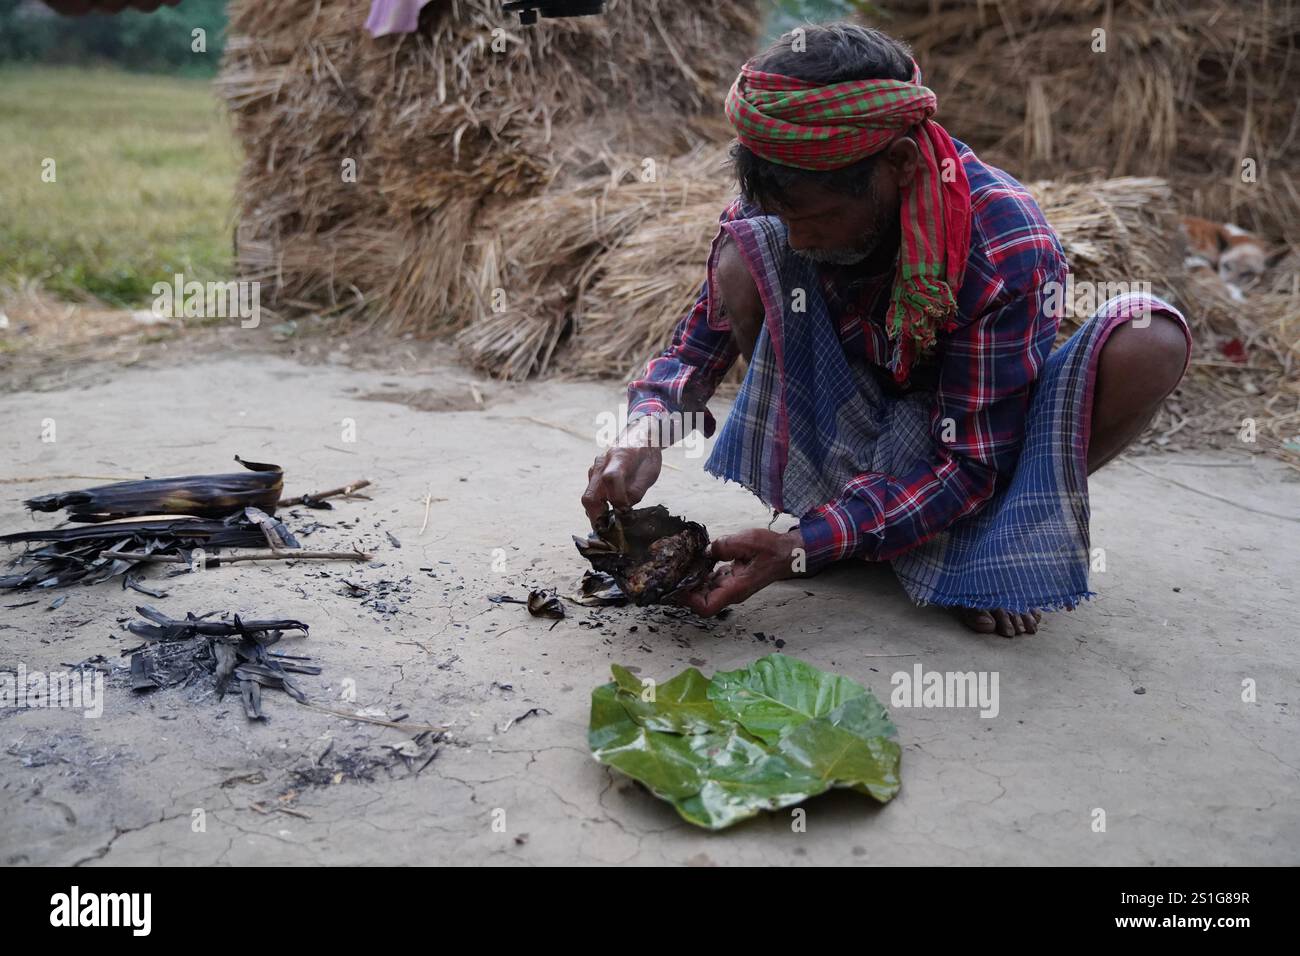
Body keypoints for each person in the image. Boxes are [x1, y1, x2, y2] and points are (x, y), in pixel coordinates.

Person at [582, 23, 1191, 637]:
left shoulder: (1005, 240)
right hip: (851, 429)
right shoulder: (788, 197)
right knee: (747, 254)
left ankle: (973, 547)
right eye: (784, 214)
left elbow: (974, 463)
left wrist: (805, 547)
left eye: (816, 218)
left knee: (1150, 340)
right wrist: (643, 431)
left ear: (897, 164)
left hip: (970, 442)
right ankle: (851, 524)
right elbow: (694, 349)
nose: (798, 240)